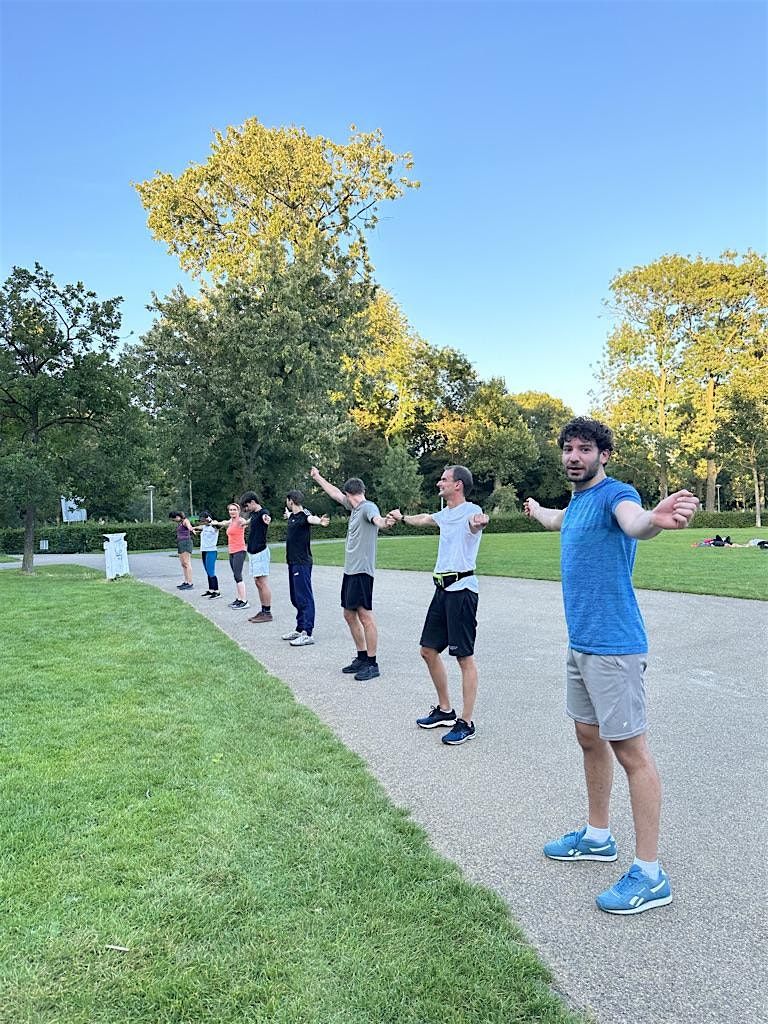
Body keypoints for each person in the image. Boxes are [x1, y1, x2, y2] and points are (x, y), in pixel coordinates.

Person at [523, 416, 699, 915]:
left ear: (604, 455)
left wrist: (654, 520)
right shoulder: (578, 504)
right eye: (568, 448)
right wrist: (536, 509)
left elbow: (635, 522)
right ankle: (599, 836)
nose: (574, 456)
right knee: (588, 737)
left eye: (584, 449)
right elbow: (556, 519)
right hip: (581, 645)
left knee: (632, 753)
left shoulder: (615, 493)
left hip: (614, 646)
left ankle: (650, 874)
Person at [388, 465, 489, 745]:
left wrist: (480, 522)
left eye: (444, 480)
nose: (439, 484)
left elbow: (476, 521)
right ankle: (445, 710)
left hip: (462, 591)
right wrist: (404, 517)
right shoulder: (445, 514)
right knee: (428, 650)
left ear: (458, 485)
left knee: (463, 657)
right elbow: (425, 519)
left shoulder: (471, 510)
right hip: (442, 590)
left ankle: (466, 723)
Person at [309, 468, 394, 680]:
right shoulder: (354, 507)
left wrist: (386, 522)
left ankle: (372, 664)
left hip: (362, 571)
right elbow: (334, 493)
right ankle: (362, 657)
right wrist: (318, 477)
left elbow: (377, 520)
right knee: (349, 614)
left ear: (350, 494)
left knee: (365, 615)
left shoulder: (367, 507)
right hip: (350, 571)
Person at [282, 490, 329, 646]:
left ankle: (307, 633)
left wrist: (320, 521)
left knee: (304, 597)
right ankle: (300, 627)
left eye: (287, 500)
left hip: (302, 562)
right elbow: (292, 517)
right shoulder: (293, 517)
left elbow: (311, 519)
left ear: (291, 501)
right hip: (292, 562)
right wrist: (288, 516)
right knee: (295, 597)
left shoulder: (303, 516)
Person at [240, 491, 273, 623]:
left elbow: (266, 518)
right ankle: (263, 609)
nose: (246, 509)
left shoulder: (263, 512)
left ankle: (267, 612)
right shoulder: (254, 515)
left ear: (253, 502)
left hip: (260, 551)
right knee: (257, 582)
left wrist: (267, 519)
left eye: (247, 506)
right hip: (253, 552)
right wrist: (245, 523)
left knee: (262, 582)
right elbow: (252, 520)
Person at [211, 503, 250, 609]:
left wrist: (249, 521)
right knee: (235, 576)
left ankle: (244, 601)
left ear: (238, 511)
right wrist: (215, 522)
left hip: (239, 551)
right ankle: (239, 599)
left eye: (234, 509)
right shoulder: (231, 521)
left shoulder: (240, 521)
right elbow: (223, 523)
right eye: (230, 510)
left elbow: (246, 522)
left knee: (238, 575)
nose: (232, 511)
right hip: (232, 551)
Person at [195, 510, 221, 599]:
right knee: (207, 571)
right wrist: (193, 528)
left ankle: (217, 591)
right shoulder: (205, 527)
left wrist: (210, 521)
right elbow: (199, 527)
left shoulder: (214, 526)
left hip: (211, 551)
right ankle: (211, 589)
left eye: (203, 520)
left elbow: (218, 525)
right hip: (204, 550)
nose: (202, 521)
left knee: (211, 571)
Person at [170, 511, 194, 590]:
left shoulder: (185, 521)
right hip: (180, 543)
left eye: (174, 518)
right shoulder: (180, 523)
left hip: (186, 542)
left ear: (178, 516)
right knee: (183, 564)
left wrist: (192, 529)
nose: (174, 520)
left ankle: (190, 582)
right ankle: (186, 581)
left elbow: (189, 526)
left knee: (187, 563)